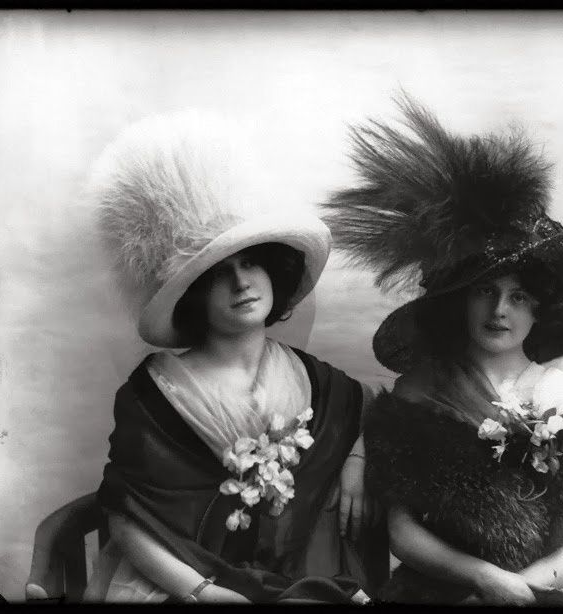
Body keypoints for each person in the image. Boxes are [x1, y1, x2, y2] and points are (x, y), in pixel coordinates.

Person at [322, 95, 563, 605]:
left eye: (518, 297)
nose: (499, 310)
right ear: (460, 301)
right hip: (443, 589)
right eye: (484, 291)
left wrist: (525, 587)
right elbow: (402, 532)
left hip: (547, 585)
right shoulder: (421, 392)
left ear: (539, 310)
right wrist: (483, 580)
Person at [81, 111, 388, 603]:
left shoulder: (313, 379)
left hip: (297, 579)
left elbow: (376, 410)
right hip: (184, 585)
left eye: (250, 263)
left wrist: (355, 460)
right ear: (193, 294)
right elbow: (126, 517)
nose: (242, 282)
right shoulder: (155, 395)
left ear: (272, 271)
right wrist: (202, 592)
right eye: (217, 273)